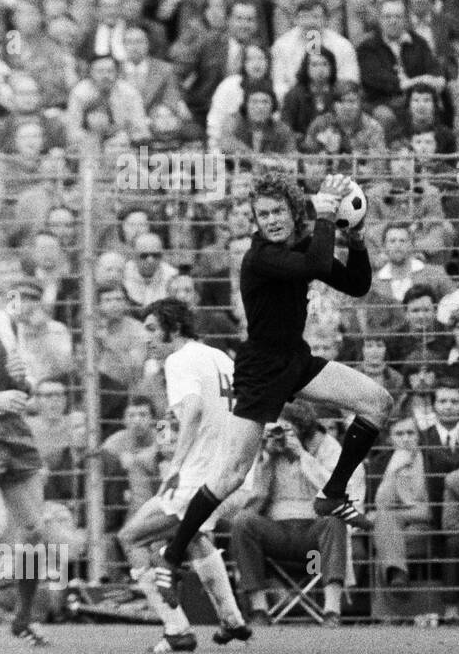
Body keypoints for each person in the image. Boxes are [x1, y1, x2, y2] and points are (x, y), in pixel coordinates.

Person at [152, 173, 392, 606]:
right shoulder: (260, 256)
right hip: (261, 370)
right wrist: (325, 217)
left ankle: (333, 493)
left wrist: (355, 238)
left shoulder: (302, 247)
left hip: (295, 360)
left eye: (278, 211)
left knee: (378, 402)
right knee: (230, 475)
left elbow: (357, 285)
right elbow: (316, 265)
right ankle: (171, 558)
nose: (271, 220)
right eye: (262, 214)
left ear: (294, 211)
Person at [117, 299, 250, 652]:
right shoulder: (220, 357)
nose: (147, 338)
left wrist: (175, 466)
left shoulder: (178, 360)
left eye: (151, 329)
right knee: (195, 537)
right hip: (232, 474)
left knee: (131, 537)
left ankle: (176, 629)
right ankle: (232, 620)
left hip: (199, 476)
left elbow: (191, 410)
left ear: (174, 329)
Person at [0, 252, 58, 645]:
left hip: (14, 432)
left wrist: (25, 383)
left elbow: (24, 385)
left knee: (35, 531)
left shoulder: (5, 320)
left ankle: (22, 618)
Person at [227, 402, 362, 627]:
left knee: (335, 521)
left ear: (301, 427)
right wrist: (266, 460)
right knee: (243, 521)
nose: (280, 434)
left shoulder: (327, 446)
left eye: (286, 429)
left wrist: (302, 455)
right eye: (275, 428)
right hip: (276, 534)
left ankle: (331, 610)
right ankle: (259, 609)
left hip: (314, 544)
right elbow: (253, 501)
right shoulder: (265, 449)